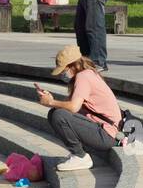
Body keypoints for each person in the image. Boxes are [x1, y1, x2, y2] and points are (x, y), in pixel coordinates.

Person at [35, 44, 123, 172]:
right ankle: (79, 154)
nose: (62, 75)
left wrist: (51, 102)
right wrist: (52, 101)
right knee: (56, 113)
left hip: (107, 134)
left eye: (63, 70)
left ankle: (80, 156)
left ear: (72, 65)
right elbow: (75, 106)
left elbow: (74, 107)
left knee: (58, 115)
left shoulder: (83, 77)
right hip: (107, 130)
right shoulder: (88, 74)